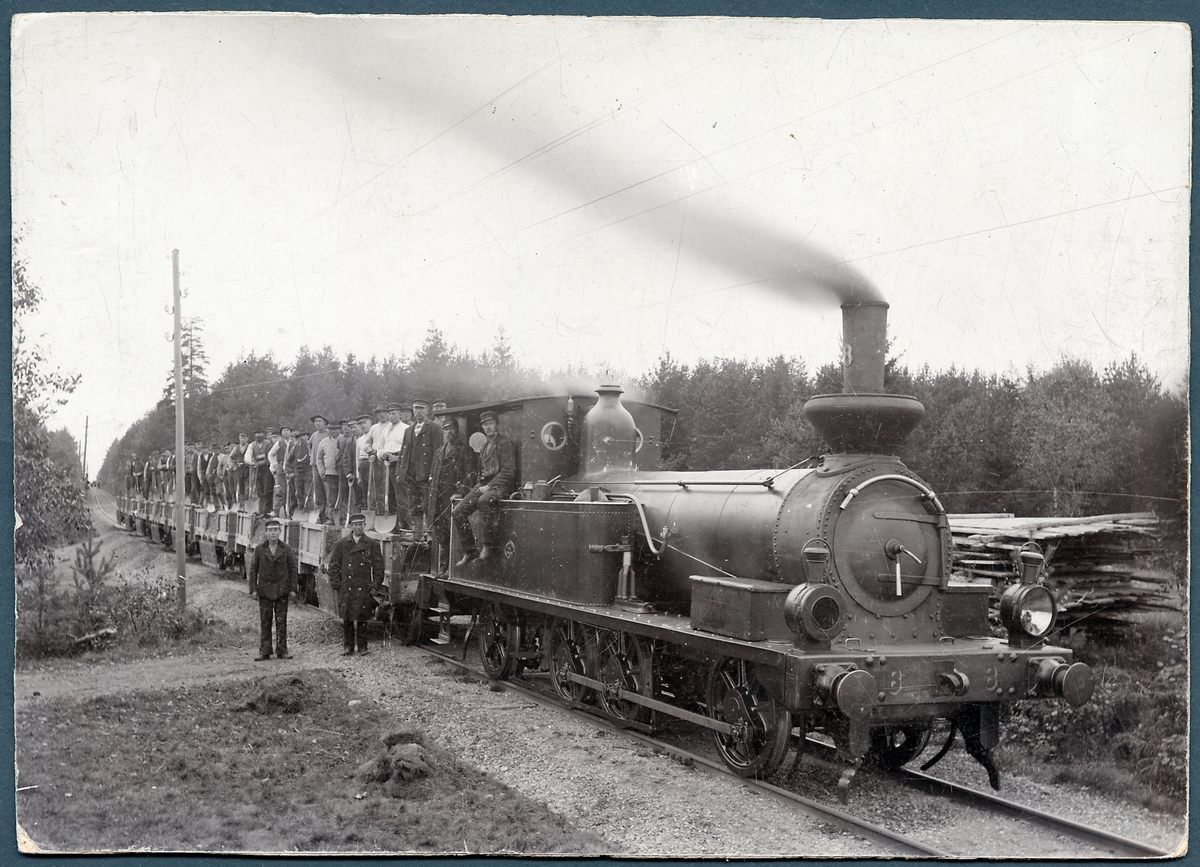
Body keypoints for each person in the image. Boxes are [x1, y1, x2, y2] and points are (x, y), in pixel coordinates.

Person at [453, 410, 517, 565]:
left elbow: (508, 472)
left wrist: (489, 486)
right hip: (484, 486)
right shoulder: (485, 446)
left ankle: (488, 546)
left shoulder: (505, 443)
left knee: (484, 501)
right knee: (458, 512)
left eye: (490, 423)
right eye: (485, 424)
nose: (488, 427)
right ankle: (470, 551)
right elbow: (480, 473)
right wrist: (468, 491)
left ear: (497, 425)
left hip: (501, 487)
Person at [327, 513, 384, 655]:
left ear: (364, 526)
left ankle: (363, 647)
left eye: (361, 524)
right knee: (347, 617)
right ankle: (348, 646)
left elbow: (379, 567)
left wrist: (375, 585)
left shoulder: (372, 544)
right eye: (356, 525)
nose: (358, 527)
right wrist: (337, 584)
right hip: (346, 586)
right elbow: (333, 565)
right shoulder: (341, 544)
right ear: (351, 526)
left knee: (362, 617)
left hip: (363, 586)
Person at [247, 517, 298, 661]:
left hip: (282, 591)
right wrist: (253, 589)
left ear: (280, 532)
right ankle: (265, 651)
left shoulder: (286, 549)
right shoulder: (259, 549)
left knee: (281, 621)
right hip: (265, 590)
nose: (273, 533)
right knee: (265, 621)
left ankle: (282, 650)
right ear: (266, 533)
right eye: (270, 531)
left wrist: (293, 589)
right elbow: (253, 570)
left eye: (275, 530)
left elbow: (293, 569)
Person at [428, 417, 469, 573]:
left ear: (457, 431)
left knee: (454, 535)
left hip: (452, 499)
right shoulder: (439, 451)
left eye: (452, 428)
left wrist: (461, 493)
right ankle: (443, 568)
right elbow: (432, 476)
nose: (449, 432)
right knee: (442, 537)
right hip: (438, 500)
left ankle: (452, 570)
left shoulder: (464, 450)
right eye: (445, 429)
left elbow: (470, 474)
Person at [402, 399, 442, 531]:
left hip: (426, 474)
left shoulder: (434, 428)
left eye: (421, 408)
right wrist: (400, 472)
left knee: (428, 505)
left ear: (427, 411)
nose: (418, 411)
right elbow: (404, 452)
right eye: (416, 408)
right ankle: (418, 535)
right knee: (414, 505)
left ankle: (430, 535)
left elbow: (438, 452)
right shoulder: (408, 430)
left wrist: (433, 473)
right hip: (412, 474)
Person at [378, 402, 409, 522]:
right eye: (389, 414)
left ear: (400, 414)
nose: (391, 416)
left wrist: (398, 458)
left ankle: (405, 525)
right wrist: (382, 454)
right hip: (387, 464)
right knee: (388, 495)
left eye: (394, 414)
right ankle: (392, 524)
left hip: (400, 464)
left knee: (401, 496)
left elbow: (409, 449)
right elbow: (379, 447)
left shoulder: (406, 429)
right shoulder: (386, 430)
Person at [316, 420, 342, 524]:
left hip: (341, 473)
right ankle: (330, 517)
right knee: (331, 496)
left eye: (335, 429)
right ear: (328, 430)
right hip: (329, 473)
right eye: (330, 429)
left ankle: (342, 517)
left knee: (342, 496)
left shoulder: (343, 439)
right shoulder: (323, 442)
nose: (333, 431)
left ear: (338, 429)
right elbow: (319, 458)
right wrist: (322, 471)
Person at [309, 414, 331, 519]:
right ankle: (321, 515)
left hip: (325, 466)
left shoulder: (327, 434)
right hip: (315, 466)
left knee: (327, 489)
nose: (317, 423)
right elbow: (310, 448)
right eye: (316, 421)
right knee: (318, 491)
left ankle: (328, 514)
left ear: (324, 423)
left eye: (319, 421)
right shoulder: (313, 435)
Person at [354, 413, 374, 514]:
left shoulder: (374, 435)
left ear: (370, 423)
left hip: (372, 463)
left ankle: (374, 511)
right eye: (360, 424)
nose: (363, 425)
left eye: (365, 423)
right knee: (364, 490)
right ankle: (366, 511)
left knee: (373, 490)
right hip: (362, 465)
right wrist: (358, 475)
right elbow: (357, 458)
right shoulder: (359, 440)